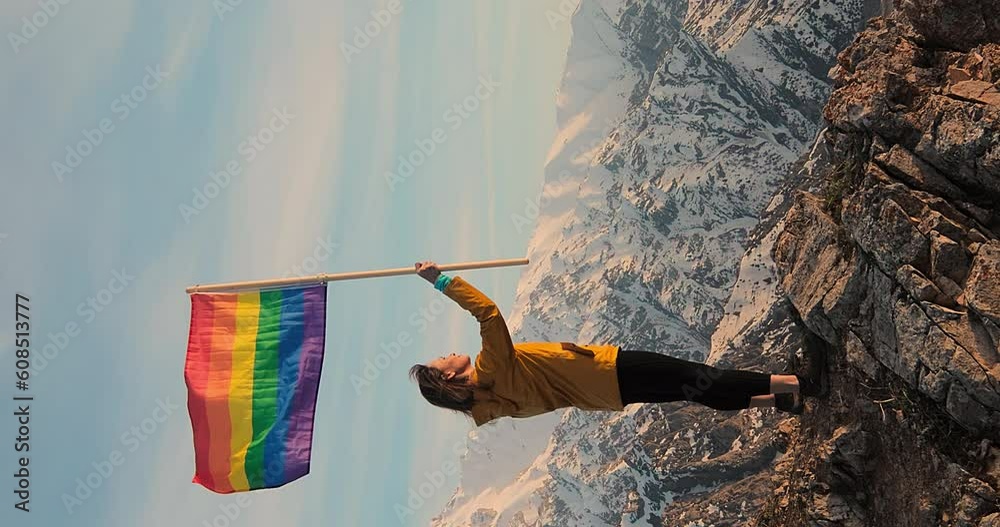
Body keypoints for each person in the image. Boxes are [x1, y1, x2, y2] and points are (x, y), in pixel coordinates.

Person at [409, 261, 826, 427]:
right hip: (609, 369)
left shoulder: (492, 403)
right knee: (702, 378)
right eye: (442, 359)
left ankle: (779, 403)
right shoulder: (491, 369)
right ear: (448, 375)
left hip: (606, 394)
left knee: (696, 391)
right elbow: (489, 313)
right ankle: (795, 383)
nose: (448, 353)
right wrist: (441, 280)